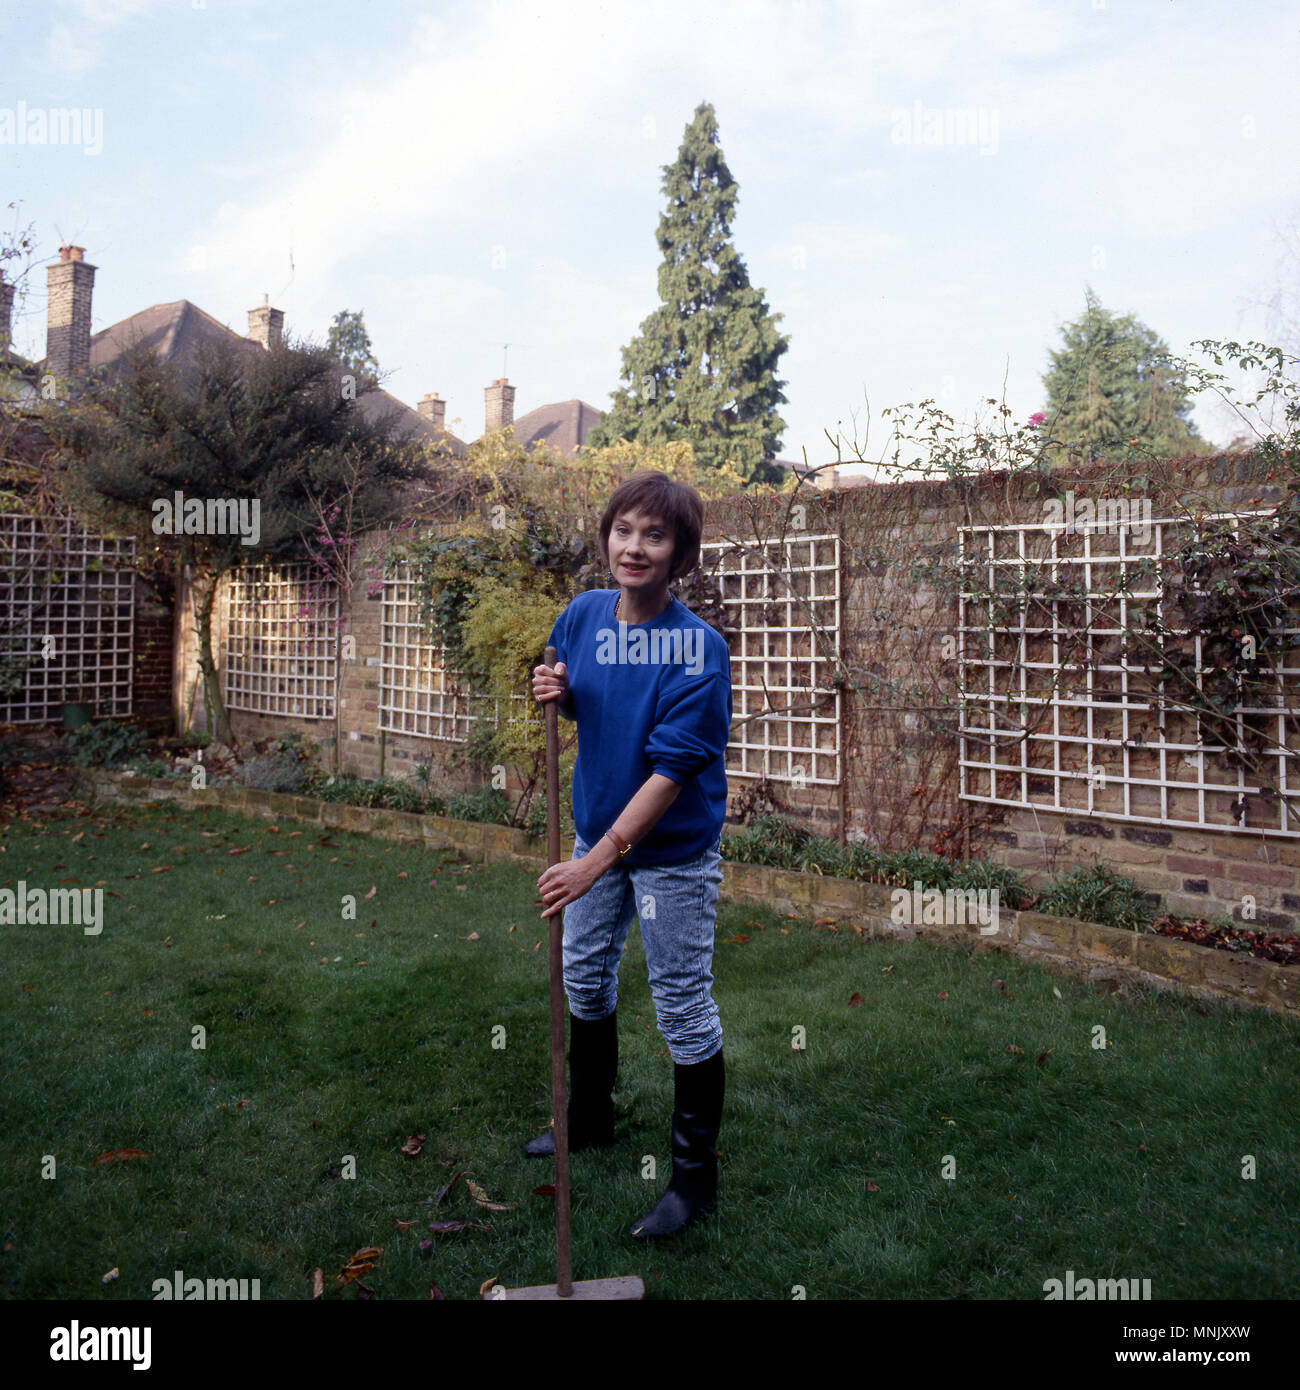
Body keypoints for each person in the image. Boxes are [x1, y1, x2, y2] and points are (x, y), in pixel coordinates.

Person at [526, 469, 732, 1239]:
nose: (634, 547)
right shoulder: (581, 615)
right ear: (607, 534)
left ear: (679, 553)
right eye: (624, 530)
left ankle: (693, 1182)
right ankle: (589, 1120)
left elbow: (673, 773)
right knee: (582, 971)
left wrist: (595, 861)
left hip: (669, 852)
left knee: (680, 1002)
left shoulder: (698, 651)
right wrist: (557, 688)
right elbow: (586, 695)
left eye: (655, 535)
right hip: (595, 832)